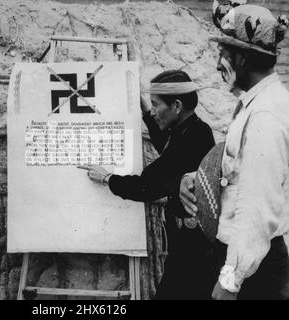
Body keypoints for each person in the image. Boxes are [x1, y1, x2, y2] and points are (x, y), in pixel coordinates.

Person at [180, 1, 289, 300]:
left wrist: (231, 280)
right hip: (254, 260)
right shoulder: (258, 104)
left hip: (255, 271)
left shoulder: (265, 115)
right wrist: (197, 179)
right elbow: (242, 175)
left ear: (242, 57)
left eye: (223, 54)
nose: (218, 63)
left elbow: (257, 208)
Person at [79, 70, 216, 299]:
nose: (153, 110)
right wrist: (145, 110)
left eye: (155, 104)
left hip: (194, 249)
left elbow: (147, 185)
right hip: (189, 243)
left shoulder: (192, 137)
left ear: (177, 106)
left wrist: (107, 178)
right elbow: (167, 146)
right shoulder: (191, 129)